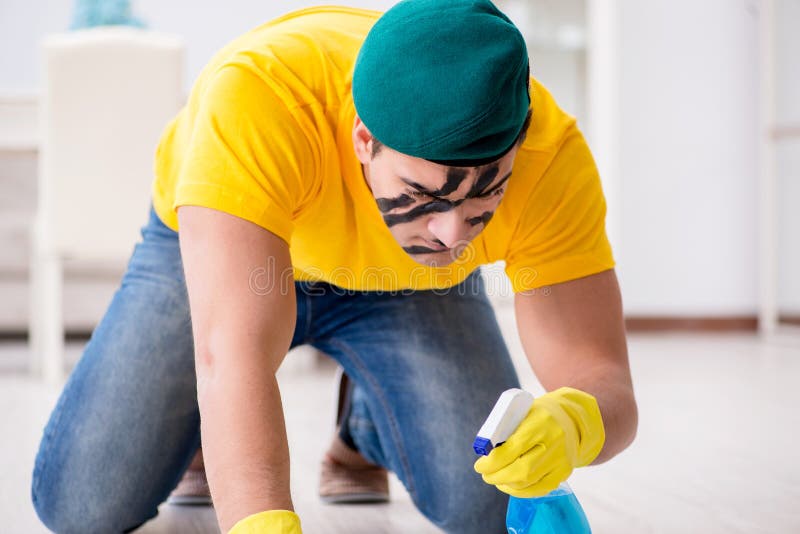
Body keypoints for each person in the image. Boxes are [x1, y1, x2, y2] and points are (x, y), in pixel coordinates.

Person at [30, 1, 638, 533]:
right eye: (424, 194)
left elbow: (602, 374)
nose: (453, 234)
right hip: (236, 252)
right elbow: (234, 356)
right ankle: (198, 428)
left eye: (487, 193)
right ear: (363, 140)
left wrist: (574, 419)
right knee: (82, 505)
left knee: (488, 502)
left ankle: (363, 424)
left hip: (403, 280)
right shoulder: (260, 97)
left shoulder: (550, 157)